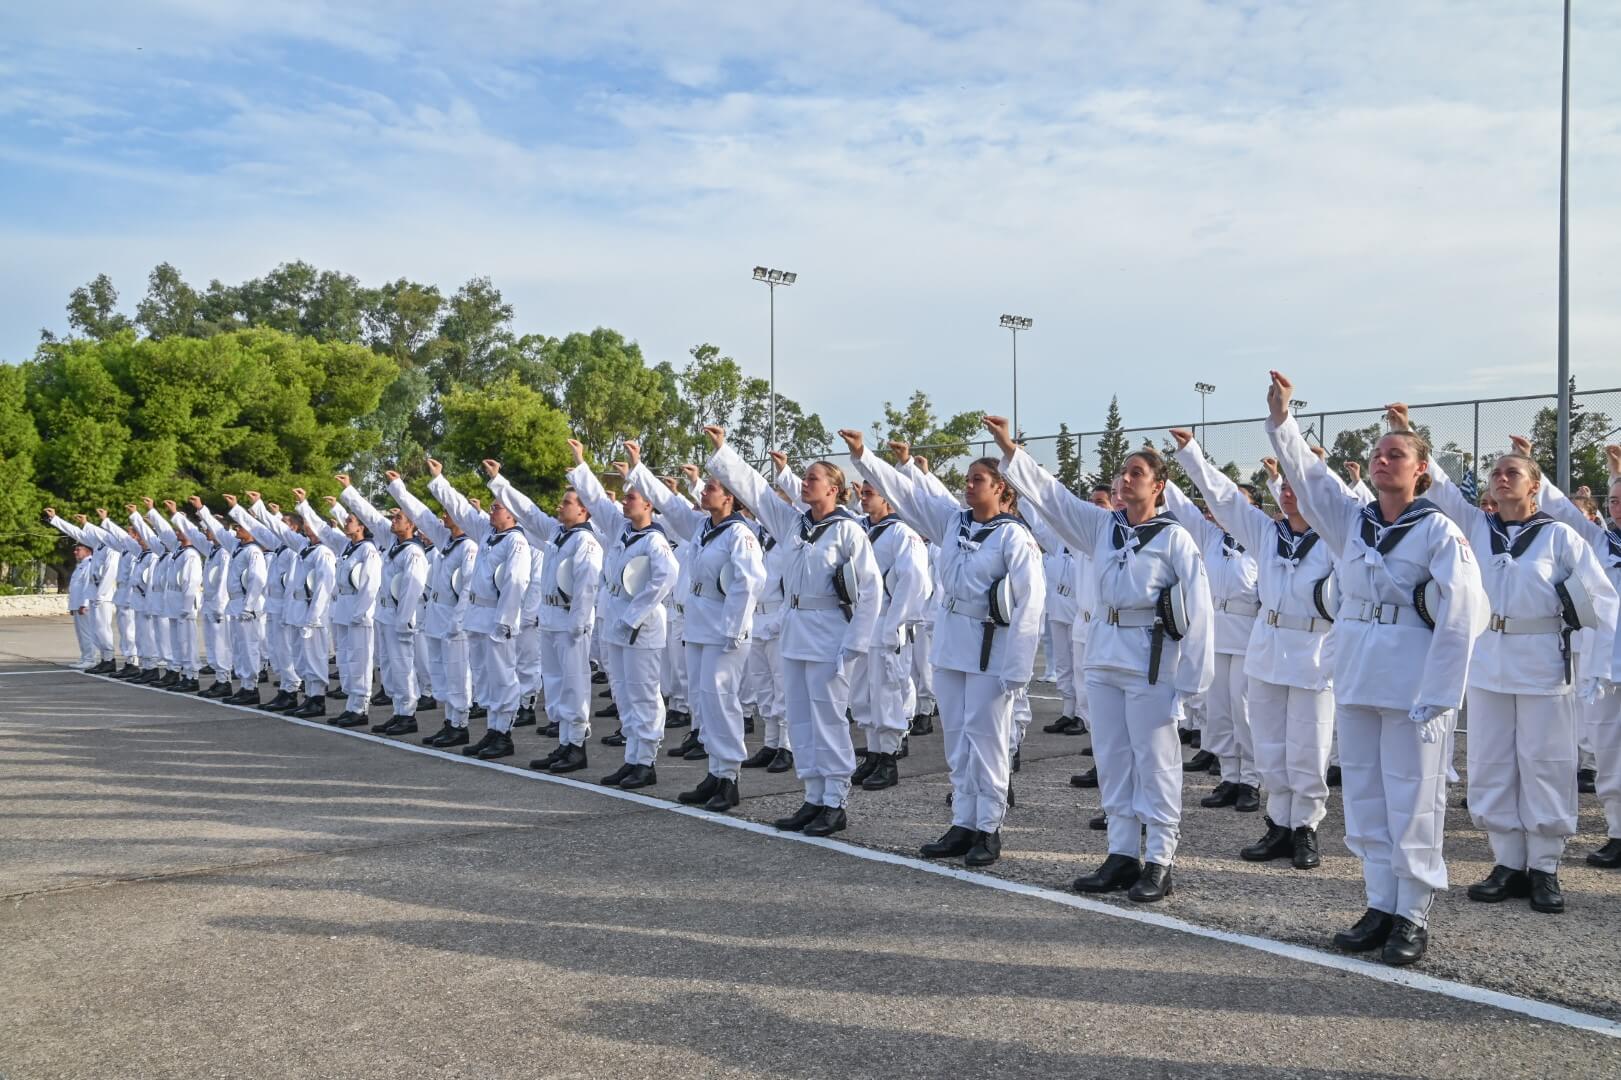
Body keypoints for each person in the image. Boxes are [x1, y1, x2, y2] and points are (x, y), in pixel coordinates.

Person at [1268, 372, 1486, 965]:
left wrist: (1442, 693)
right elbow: (1311, 484)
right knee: (1365, 796)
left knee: (1413, 799)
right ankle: (1379, 902)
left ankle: (1412, 913)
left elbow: (1464, 612)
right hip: (1360, 676)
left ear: (1421, 471)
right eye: (1378, 454)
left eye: (1397, 454)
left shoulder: (1439, 529)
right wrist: (1283, 421)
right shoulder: (1355, 521)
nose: (1384, 460)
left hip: (1413, 682)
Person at [1400, 417, 1616, 912]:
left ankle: (1543, 865)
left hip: (1543, 665)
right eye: (1497, 471)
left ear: (1534, 485)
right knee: (1492, 763)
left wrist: (1596, 668)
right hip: (1487, 664)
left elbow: (1601, 603)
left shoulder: (1559, 537)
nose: (1501, 478)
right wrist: (1411, 434)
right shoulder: (1477, 526)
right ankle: (1506, 861)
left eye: (1512, 472)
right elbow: (1448, 492)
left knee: (1545, 764)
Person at [995, 419, 1213, 899]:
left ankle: (1159, 857)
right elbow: (1053, 498)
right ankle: (1120, 853)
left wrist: (1192, 679)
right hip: (1105, 654)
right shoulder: (1103, 527)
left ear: (1159, 486)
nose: (1126, 478)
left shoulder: (1174, 537)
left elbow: (1198, 608)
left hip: (1152, 660)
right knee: (1112, 759)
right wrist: (1012, 453)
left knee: (1154, 761)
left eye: (1137, 472)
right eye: (1123, 472)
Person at [848, 427, 1044, 867]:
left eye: (978, 479)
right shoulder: (954, 521)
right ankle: (962, 820)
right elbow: (906, 492)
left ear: (1002, 491)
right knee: (957, 740)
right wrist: (865, 457)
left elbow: (1031, 603)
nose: (968, 484)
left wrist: (1018, 667)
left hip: (992, 646)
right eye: (969, 478)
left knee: (988, 741)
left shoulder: (1014, 536)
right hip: (954, 643)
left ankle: (988, 828)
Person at [1171, 428, 1338, 869]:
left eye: (1295, 484)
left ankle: (1305, 827)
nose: (1285, 491)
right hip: (1267, 648)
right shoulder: (1267, 533)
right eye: (1282, 485)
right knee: (1269, 744)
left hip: (1313, 653)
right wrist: (1191, 455)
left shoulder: (1337, 535)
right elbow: (1225, 499)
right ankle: (1278, 822)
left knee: (1308, 746)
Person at [705, 425, 881, 837]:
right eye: (804, 477)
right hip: (797, 632)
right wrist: (723, 451)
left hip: (830, 637)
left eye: (813, 478)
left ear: (834, 489)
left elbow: (871, 593)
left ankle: (835, 802)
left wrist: (853, 647)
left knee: (828, 719)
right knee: (800, 719)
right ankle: (813, 796)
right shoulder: (795, 524)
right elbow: (758, 492)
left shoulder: (848, 530)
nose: (805, 483)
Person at [567, 443, 681, 790]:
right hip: (616, 623)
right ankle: (632, 757)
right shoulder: (622, 530)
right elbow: (598, 501)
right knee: (623, 694)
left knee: (644, 694)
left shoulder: (654, 540)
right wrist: (580, 464)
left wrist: (633, 616)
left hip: (640, 627)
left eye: (632, 497)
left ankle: (645, 762)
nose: (625, 501)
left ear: (648, 504)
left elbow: (667, 576)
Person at [479, 459, 598, 769]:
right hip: (551, 619)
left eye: (567, 503)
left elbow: (586, 586)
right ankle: (563, 741)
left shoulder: (585, 541)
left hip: (569, 621)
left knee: (574, 684)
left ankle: (576, 746)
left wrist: (578, 624)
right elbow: (529, 512)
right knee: (557, 684)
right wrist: (499, 482)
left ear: (583, 510)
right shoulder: (559, 534)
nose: (560, 507)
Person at [1539, 444, 1621, 868]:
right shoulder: (1598, 541)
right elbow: (1562, 508)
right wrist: (1532, 467)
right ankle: (1617, 831)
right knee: (1608, 752)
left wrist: (1616, 471)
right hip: (1606, 667)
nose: (1617, 508)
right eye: (1613, 502)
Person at [431, 461, 535, 761]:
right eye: (491, 506)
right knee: (484, 677)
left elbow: (516, 581)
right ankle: (493, 728)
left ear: (512, 513)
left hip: (496, 618)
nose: (492, 510)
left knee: (502, 676)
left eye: (498, 506)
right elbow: (461, 509)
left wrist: (505, 621)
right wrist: (440, 480)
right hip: (478, 617)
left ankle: (504, 733)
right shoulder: (489, 534)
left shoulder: (516, 541)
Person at [389, 468, 479, 748]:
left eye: (448, 512)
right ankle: (449, 721)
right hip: (437, 619)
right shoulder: (447, 542)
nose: (442, 516)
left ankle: (460, 724)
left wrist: (458, 622)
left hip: (454, 620)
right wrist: (398, 489)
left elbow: (467, 588)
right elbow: (422, 516)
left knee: (457, 675)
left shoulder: (468, 547)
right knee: (441, 675)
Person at [338, 476, 431, 737]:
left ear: (412, 524)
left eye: (399, 518)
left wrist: (403, 621)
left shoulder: (413, 552)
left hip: (399, 616)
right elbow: (370, 516)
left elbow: (412, 590)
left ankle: (408, 714)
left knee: (402, 666)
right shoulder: (393, 546)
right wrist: (349, 491)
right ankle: (399, 711)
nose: (393, 521)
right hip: (385, 613)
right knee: (390, 667)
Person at [296, 490, 380, 727]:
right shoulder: (346, 546)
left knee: (360, 661)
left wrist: (361, 613)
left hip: (358, 612)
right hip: (343, 609)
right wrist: (304, 506)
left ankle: (360, 708)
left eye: (351, 520)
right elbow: (322, 530)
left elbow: (370, 584)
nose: (346, 523)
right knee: (345, 660)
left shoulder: (368, 550)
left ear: (361, 526)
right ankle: (350, 705)